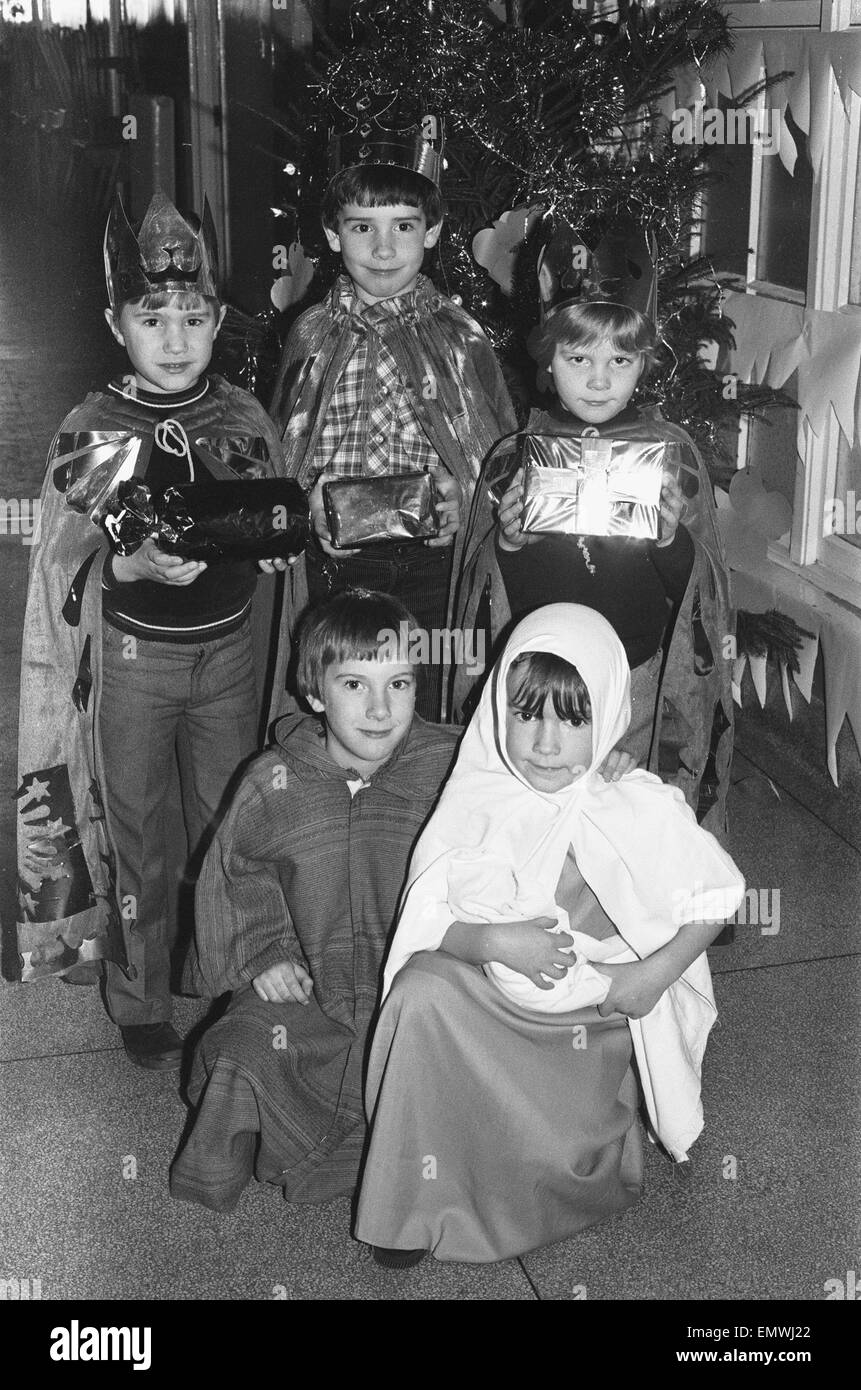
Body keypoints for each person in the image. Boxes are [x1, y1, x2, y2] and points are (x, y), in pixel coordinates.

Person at [354, 603, 744, 1266]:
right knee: (419, 995)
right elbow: (424, 921)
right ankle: (411, 1208)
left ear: (609, 717)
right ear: (497, 711)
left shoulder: (628, 800)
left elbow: (715, 896)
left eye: (573, 720)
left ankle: (547, 1164)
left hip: (590, 1019)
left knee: (562, 1143)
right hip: (490, 999)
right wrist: (493, 942)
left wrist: (650, 978)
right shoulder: (481, 792)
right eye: (526, 714)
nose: (544, 743)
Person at [15, 190, 291, 1072]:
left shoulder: (243, 417)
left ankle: (226, 974)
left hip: (232, 655)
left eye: (194, 318)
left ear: (217, 323)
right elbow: (60, 563)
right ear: (116, 324)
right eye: (152, 318)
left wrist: (277, 551)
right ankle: (139, 999)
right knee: (137, 831)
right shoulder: (91, 428)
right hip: (133, 664)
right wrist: (125, 569)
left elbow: (271, 521)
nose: (175, 339)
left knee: (227, 820)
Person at [169, 590, 461, 1211]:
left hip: (417, 984)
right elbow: (236, 874)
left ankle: (403, 1195)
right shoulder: (274, 781)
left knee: (432, 1073)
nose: (380, 709)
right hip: (311, 982)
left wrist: (604, 764)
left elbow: (536, 775)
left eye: (399, 683)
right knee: (247, 1045)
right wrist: (264, 955)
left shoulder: (452, 766)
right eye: (355, 684)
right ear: (316, 693)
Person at [454, 234, 733, 836]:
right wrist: (508, 544)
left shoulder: (672, 456)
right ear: (547, 360)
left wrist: (669, 539)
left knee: (623, 814)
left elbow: (699, 600)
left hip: (638, 674)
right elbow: (486, 600)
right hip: (537, 679)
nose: (600, 381)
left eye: (620, 361)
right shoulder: (514, 459)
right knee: (535, 812)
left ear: (644, 363)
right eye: (579, 359)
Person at [269, 123, 517, 720]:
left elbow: (492, 454)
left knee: (423, 701)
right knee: (342, 701)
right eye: (362, 228)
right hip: (334, 563)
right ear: (333, 235)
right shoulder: (311, 334)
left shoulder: (458, 336)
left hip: (432, 564)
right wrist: (303, 509)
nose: (384, 250)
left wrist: (465, 502)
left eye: (403, 227)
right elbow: (285, 449)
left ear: (431, 231)